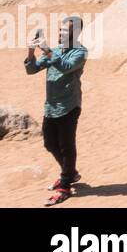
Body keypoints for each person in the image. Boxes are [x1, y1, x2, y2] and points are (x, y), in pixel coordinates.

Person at [25, 16, 88, 206]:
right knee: (50, 143)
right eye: (60, 30)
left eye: (65, 30)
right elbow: (32, 69)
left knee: (66, 146)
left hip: (69, 106)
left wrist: (46, 49)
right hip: (51, 106)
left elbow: (65, 66)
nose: (60, 33)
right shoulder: (55, 50)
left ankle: (65, 186)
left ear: (75, 33)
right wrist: (31, 49)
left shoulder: (80, 52)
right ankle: (70, 174)